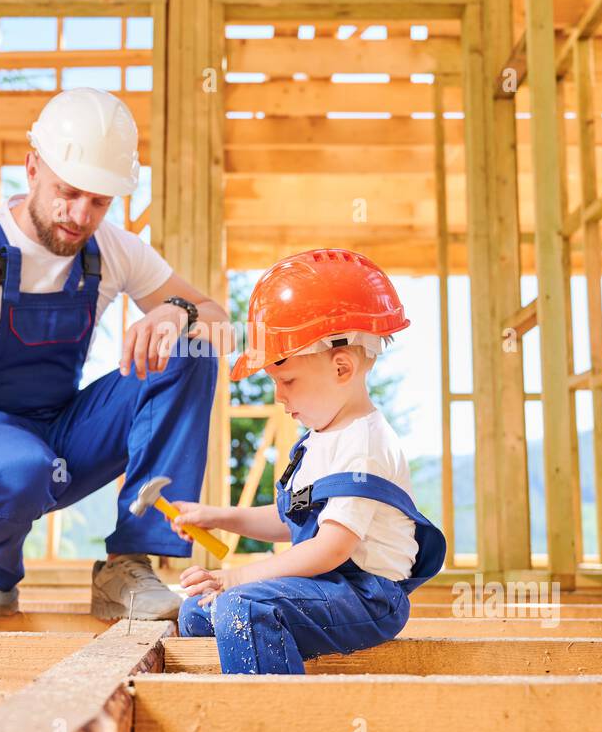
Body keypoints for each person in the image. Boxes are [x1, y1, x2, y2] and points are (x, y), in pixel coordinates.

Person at [0, 87, 229, 630]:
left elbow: (219, 320)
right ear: (32, 167)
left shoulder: (112, 248)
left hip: (61, 435)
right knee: (18, 468)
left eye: (100, 201)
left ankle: (127, 566)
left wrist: (178, 312)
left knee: (190, 348)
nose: (81, 215)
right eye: (69, 192)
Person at [169, 248, 447, 673]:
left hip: (367, 595)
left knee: (241, 605)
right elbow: (292, 522)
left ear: (341, 368)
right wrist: (218, 516)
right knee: (198, 611)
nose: (279, 396)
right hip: (326, 585)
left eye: (288, 380)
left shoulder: (364, 443)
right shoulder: (320, 439)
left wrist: (237, 578)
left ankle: (275, 724)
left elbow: (332, 547)